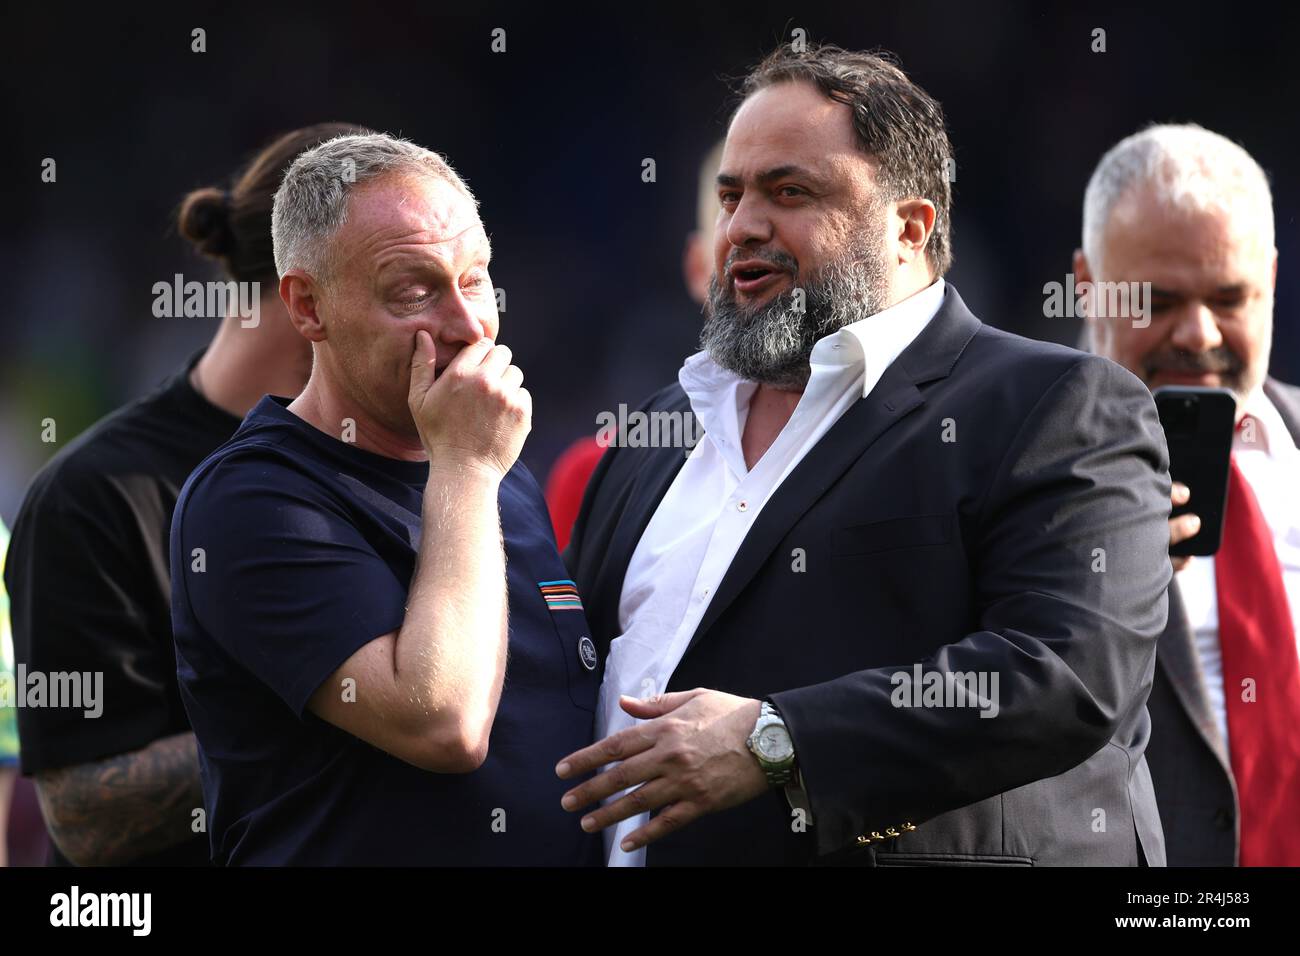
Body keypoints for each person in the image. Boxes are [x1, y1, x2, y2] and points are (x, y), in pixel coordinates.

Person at [558, 43, 1172, 866]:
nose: (743, 226)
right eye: (731, 195)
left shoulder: (1055, 404)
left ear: (909, 228)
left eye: (790, 192)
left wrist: (777, 740)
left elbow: (1066, 674)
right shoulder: (654, 433)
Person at [170, 133, 601, 865]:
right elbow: (444, 724)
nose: (468, 326)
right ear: (308, 307)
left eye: (474, 280)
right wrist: (463, 468)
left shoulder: (498, 468)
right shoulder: (252, 498)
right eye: (414, 290)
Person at [4, 122, 365, 866]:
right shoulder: (95, 498)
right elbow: (84, 816)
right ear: (305, 292)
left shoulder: (425, 468)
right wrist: (354, 705)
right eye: (402, 284)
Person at [1076, 124, 1300, 866]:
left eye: (1230, 297)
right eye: (1160, 300)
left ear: (1269, 282)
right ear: (1086, 284)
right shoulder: (1001, 468)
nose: (1198, 333)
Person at [544, 139, 725, 549]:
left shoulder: (897, 459)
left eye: (795, 196)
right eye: (730, 205)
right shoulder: (596, 476)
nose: (760, 232)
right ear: (698, 266)